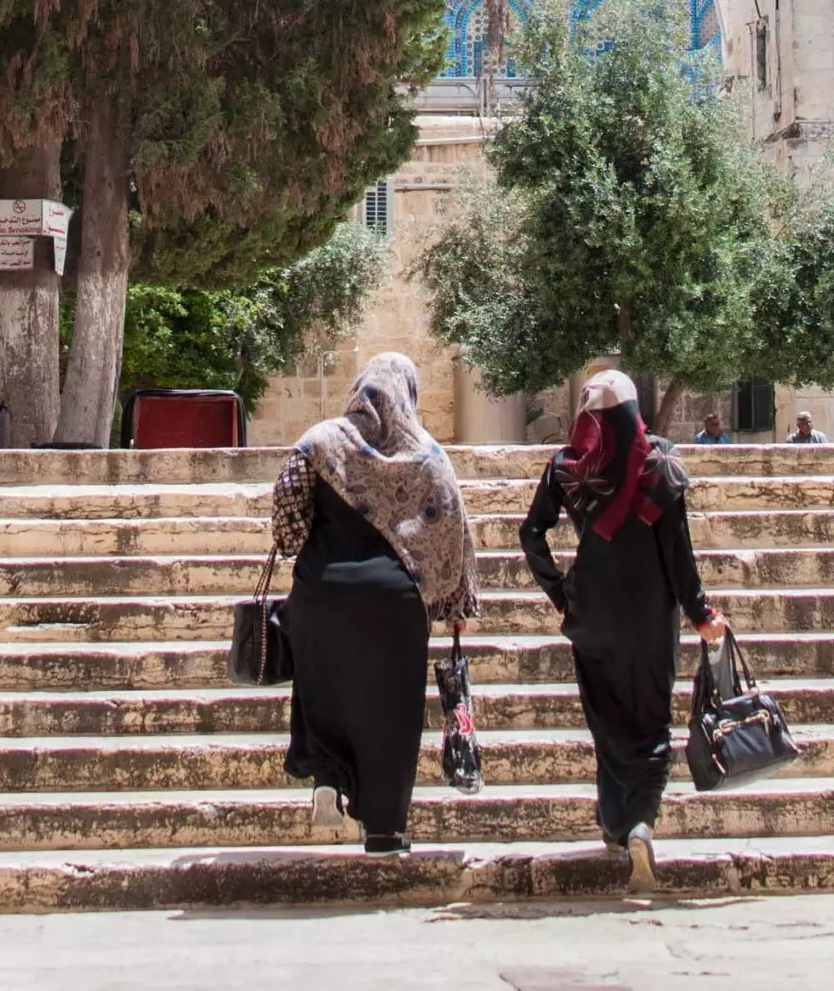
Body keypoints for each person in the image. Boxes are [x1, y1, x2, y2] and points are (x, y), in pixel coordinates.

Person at [519, 370, 726, 888]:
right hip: (649, 615)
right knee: (651, 723)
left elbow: (531, 534)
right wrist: (700, 613)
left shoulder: (567, 466)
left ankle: (615, 824)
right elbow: (679, 553)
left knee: (606, 718)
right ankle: (640, 825)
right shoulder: (659, 463)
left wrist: (560, 595)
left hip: (591, 611)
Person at [272, 351, 477, 856]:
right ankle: (385, 829)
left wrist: (310, 539)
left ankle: (327, 776)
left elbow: (286, 517)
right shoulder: (428, 456)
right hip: (395, 606)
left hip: (323, 595)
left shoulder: (320, 443)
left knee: (324, 693)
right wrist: (451, 604)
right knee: (391, 713)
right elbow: (452, 530)